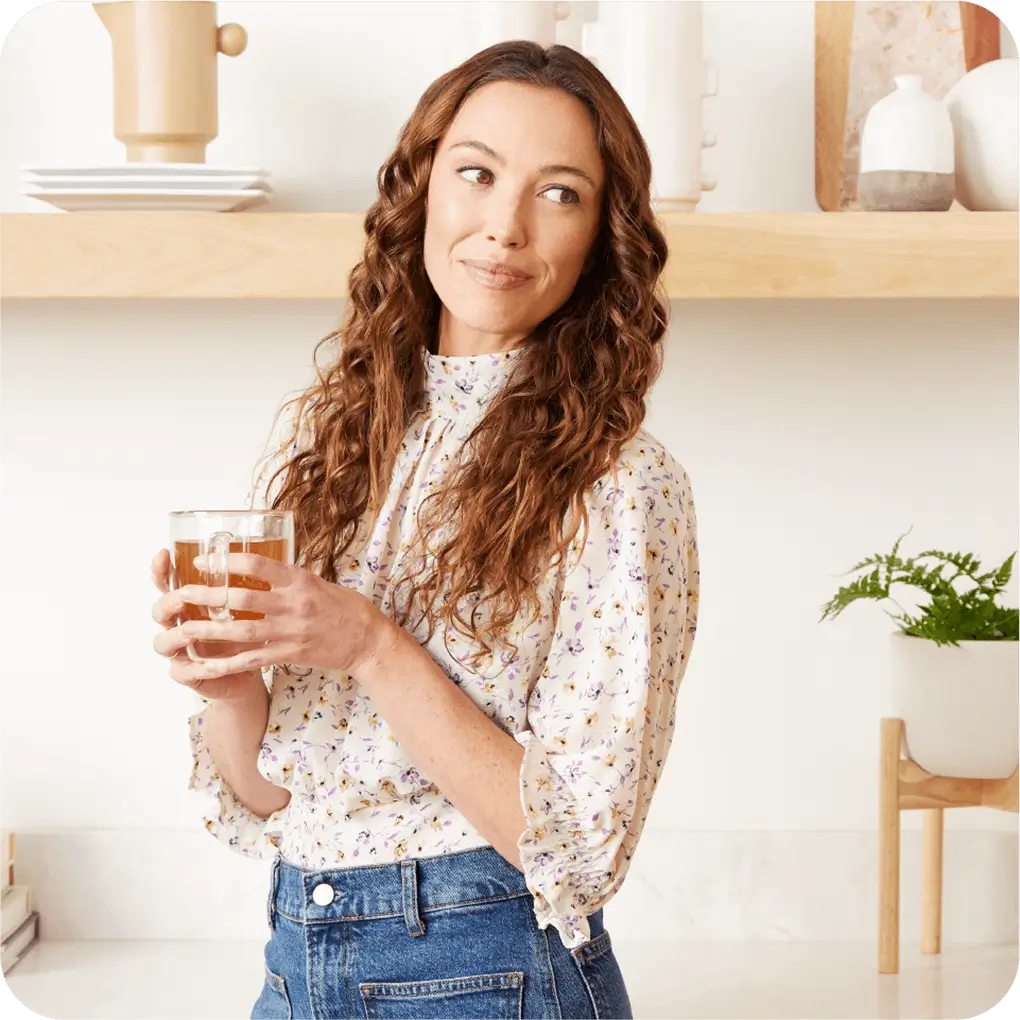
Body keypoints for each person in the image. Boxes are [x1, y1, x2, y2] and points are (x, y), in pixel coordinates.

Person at [151, 41, 699, 1020]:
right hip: (296, 954)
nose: (505, 227)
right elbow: (278, 804)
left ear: (601, 234)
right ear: (425, 192)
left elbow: (577, 847)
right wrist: (233, 692)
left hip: (489, 969)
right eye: (478, 174)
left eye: (559, 192)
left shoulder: (622, 484)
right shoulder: (346, 435)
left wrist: (369, 643)